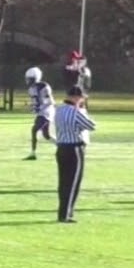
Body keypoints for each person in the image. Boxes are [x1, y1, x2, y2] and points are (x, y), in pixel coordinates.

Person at [54, 85, 96, 223]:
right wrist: (82, 110)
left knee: (63, 182)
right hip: (75, 149)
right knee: (73, 183)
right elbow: (91, 126)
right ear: (77, 98)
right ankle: (66, 214)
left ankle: (64, 212)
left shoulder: (59, 110)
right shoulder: (76, 112)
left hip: (61, 147)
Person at [23, 67, 54, 161]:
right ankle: (61, 146)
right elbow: (36, 101)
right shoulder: (32, 88)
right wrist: (32, 106)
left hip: (47, 111)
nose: (28, 81)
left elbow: (48, 101)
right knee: (46, 135)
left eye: (30, 79)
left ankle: (33, 153)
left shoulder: (43, 86)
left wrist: (38, 107)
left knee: (34, 129)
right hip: (42, 111)